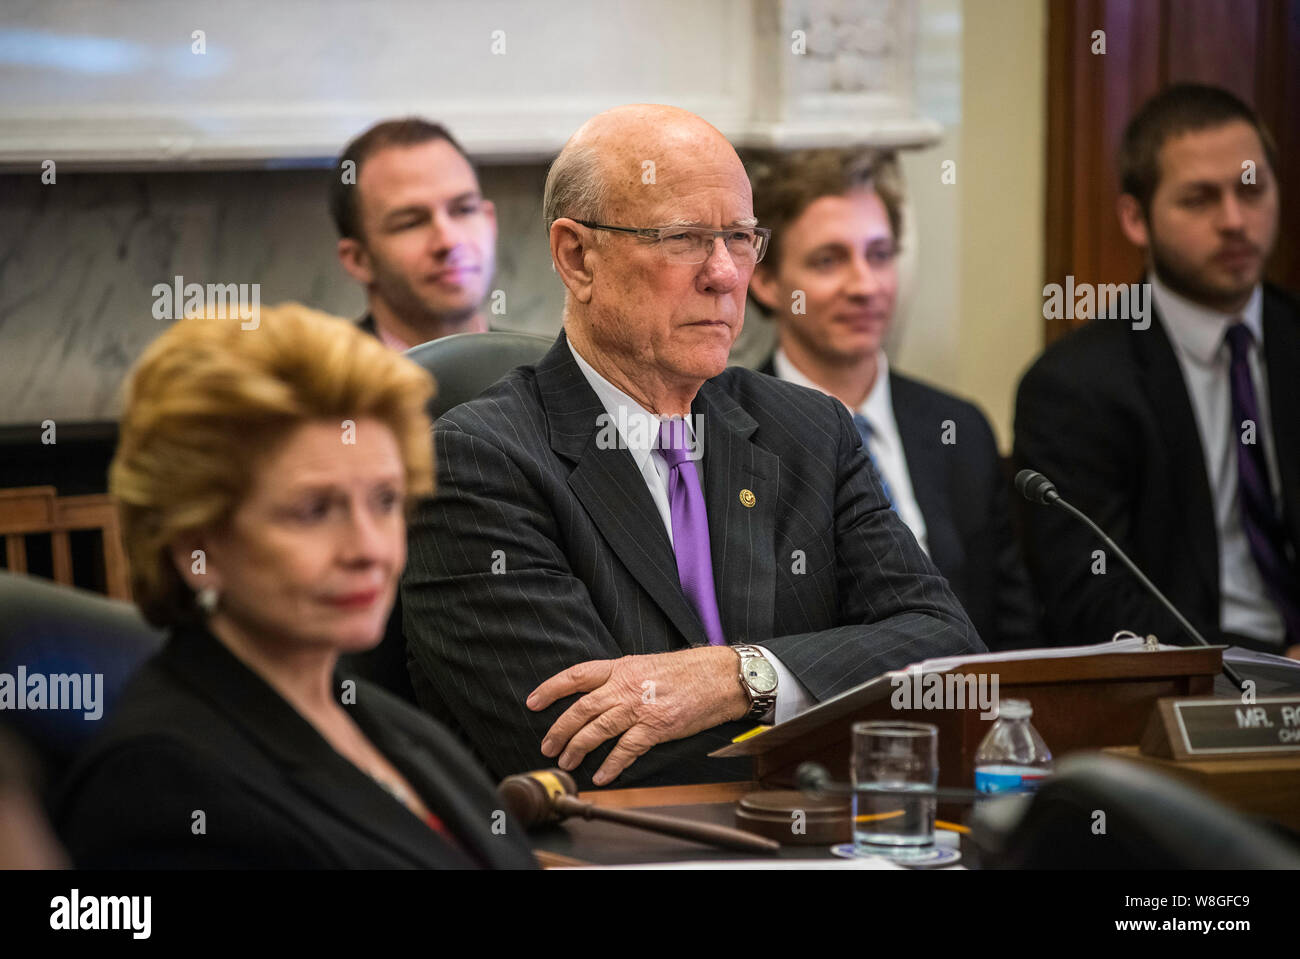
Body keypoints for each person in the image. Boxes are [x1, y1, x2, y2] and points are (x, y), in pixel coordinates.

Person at [401, 104, 984, 791]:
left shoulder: (811, 432)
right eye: (683, 238)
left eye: (739, 237)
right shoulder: (477, 463)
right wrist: (840, 712)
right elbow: (586, 754)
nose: (724, 274)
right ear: (576, 256)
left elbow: (949, 655)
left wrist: (742, 674)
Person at [54, 304, 537, 868]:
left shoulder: (395, 729)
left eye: (384, 501)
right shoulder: (161, 784)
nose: (370, 549)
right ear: (195, 549)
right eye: (313, 511)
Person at [1015, 84, 1300, 655]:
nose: (1234, 220)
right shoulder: (1074, 386)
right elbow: (1096, 605)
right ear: (1136, 219)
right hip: (1181, 693)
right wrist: (1267, 668)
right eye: (1199, 199)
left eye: (1251, 190)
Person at [748, 148, 1038, 650]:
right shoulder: (735, 431)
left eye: (879, 255)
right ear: (767, 281)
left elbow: (1012, 629)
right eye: (828, 260)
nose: (864, 285)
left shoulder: (958, 427)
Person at [331, 118, 498, 350]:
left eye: (464, 210)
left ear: (490, 222)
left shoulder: (548, 370)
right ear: (358, 259)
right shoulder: (317, 383)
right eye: (410, 223)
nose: (449, 241)